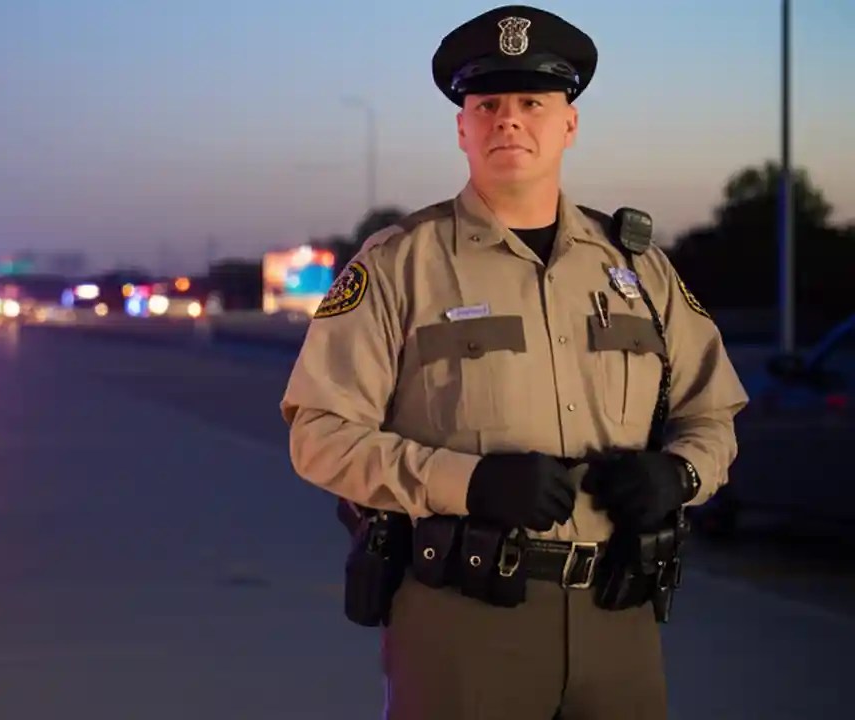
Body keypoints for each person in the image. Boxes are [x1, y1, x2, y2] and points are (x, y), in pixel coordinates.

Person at [279, 4, 749, 719]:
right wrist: (467, 483)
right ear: (461, 128)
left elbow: (711, 412)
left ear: (570, 125)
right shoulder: (402, 263)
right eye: (488, 103)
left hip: (619, 613)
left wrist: (680, 473)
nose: (508, 120)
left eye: (533, 102)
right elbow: (319, 436)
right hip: (463, 619)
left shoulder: (638, 269)